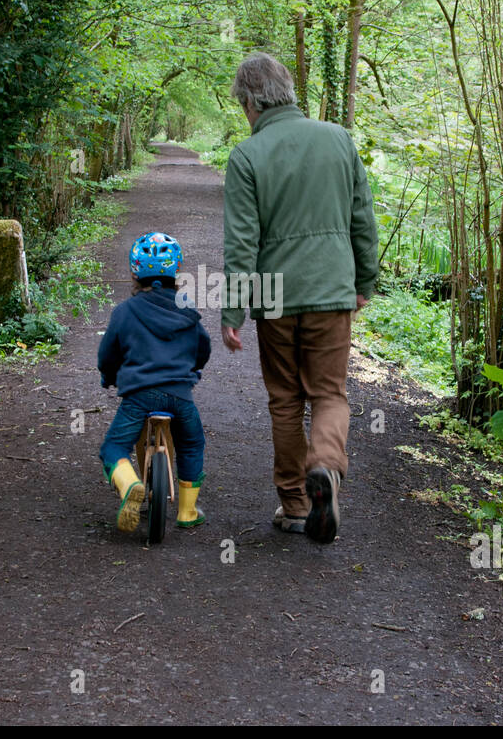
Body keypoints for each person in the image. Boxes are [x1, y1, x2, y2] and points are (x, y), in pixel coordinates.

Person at [220, 52, 378, 544]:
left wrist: (233, 311)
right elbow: (362, 221)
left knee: (285, 400)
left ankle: (294, 504)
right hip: (332, 290)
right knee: (329, 393)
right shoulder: (338, 139)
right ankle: (327, 467)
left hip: (275, 298)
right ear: (288, 92)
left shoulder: (247, 156)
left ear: (250, 104)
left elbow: (242, 243)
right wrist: (364, 283)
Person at [98, 232, 212, 533]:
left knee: (113, 447)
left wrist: (108, 377)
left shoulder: (125, 312)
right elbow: (203, 347)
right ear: (176, 271)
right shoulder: (187, 310)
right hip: (180, 396)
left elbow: (108, 354)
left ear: (134, 272)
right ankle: (187, 511)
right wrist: (194, 370)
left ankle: (131, 484)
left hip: (139, 398)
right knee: (191, 444)